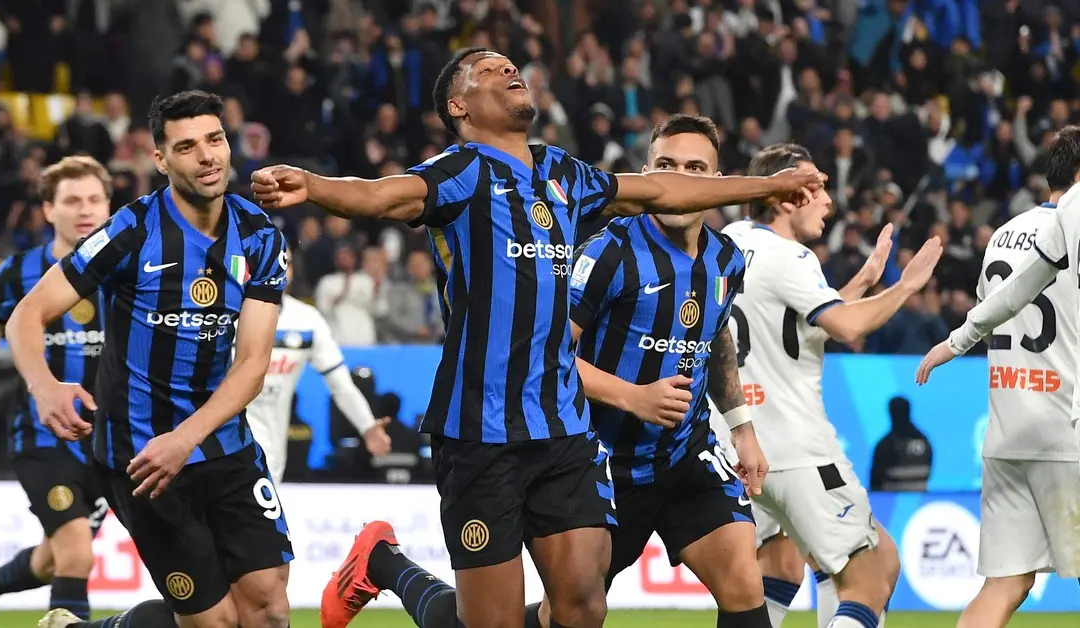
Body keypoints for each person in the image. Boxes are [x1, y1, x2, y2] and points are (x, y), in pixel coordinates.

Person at [251, 48, 822, 628]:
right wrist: (313, 185)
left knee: (583, 605)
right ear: (459, 106)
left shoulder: (561, 172)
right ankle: (384, 562)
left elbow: (661, 191)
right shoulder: (459, 173)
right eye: (487, 70)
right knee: (491, 623)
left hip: (563, 428)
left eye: (509, 65)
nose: (508, 70)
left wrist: (768, 186)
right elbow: (380, 195)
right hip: (480, 429)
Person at [5, 91, 293, 628]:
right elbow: (26, 314)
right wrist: (44, 386)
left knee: (270, 610)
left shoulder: (259, 235)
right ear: (160, 160)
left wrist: (187, 438)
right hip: (140, 460)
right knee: (214, 624)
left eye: (215, 139)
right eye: (186, 147)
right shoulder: (131, 231)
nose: (206, 156)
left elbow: (253, 364)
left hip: (222, 446)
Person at [533, 113, 770, 627]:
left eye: (695, 168)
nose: (678, 179)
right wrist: (633, 397)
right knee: (568, 615)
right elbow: (544, 355)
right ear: (645, 175)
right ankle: (390, 566)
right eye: (666, 165)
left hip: (685, 453)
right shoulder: (609, 252)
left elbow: (716, 337)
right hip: (599, 462)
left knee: (744, 582)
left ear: (717, 182)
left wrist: (742, 428)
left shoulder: (726, 259)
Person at [725, 143, 942, 628]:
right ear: (786, 197)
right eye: (816, 188)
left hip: (739, 445)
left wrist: (864, 279)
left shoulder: (731, 241)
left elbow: (797, 326)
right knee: (874, 572)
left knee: (780, 565)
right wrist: (905, 286)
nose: (828, 200)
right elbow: (846, 326)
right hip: (796, 447)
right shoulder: (792, 256)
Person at [915, 126, 1080, 627]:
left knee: (1006, 584)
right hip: (1067, 426)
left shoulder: (1003, 235)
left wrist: (955, 342)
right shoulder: (1074, 227)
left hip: (1007, 428)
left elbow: (999, 309)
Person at [0, 156, 113, 628]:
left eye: (95, 199)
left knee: (53, 559)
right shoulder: (19, 272)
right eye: (72, 200)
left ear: (109, 206)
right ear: (48, 210)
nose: (85, 210)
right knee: (77, 553)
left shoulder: (128, 271)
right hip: (44, 436)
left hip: (111, 441)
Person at [244, 255, 393, 482]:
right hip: (226, 443)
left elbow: (341, 384)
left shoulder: (306, 319)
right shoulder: (228, 314)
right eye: (270, 261)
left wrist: (367, 426)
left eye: (286, 262)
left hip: (273, 451)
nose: (280, 269)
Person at [868, 396, 932, 492]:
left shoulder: (886, 445)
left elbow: (875, 482)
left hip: (893, 497)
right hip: (920, 496)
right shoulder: (924, 441)